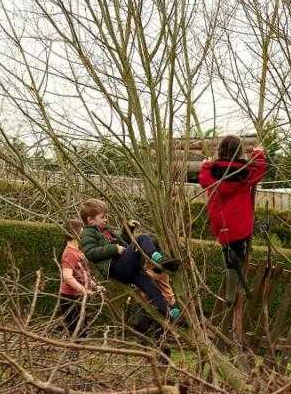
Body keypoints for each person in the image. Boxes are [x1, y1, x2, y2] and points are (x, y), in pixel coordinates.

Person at [79, 199, 181, 327]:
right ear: (90, 220)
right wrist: (114, 248)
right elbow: (90, 252)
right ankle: (158, 258)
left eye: (107, 216)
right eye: (102, 217)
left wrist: (128, 228)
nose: (106, 219)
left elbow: (124, 244)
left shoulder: (107, 230)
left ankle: (171, 314)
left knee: (152, 289)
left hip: (130, 269)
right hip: (117, 267)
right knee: (142, 238)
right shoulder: (88, 233)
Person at [198, 136, 267, 301]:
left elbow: (203, 179)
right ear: (239, 151)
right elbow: (259, 171)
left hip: (221, 224)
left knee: (229, 254)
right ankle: (234, 292)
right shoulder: (244, 172)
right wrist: (258, 154)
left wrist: (206, 165)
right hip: (239, 225)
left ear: (220, 150)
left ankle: (232, 291)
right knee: (237, 257)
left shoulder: (212, 171)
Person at [59, 218, 101, 337]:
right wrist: (84, 290)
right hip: (69, 298)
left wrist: (95, 286)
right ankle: (73, 354)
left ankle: (77, 351)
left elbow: (84, 275)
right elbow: (67, 277)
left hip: (78, 297)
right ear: (75, 233)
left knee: (83, 329)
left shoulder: (78, 251)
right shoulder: (70, 253)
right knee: (75, 331)